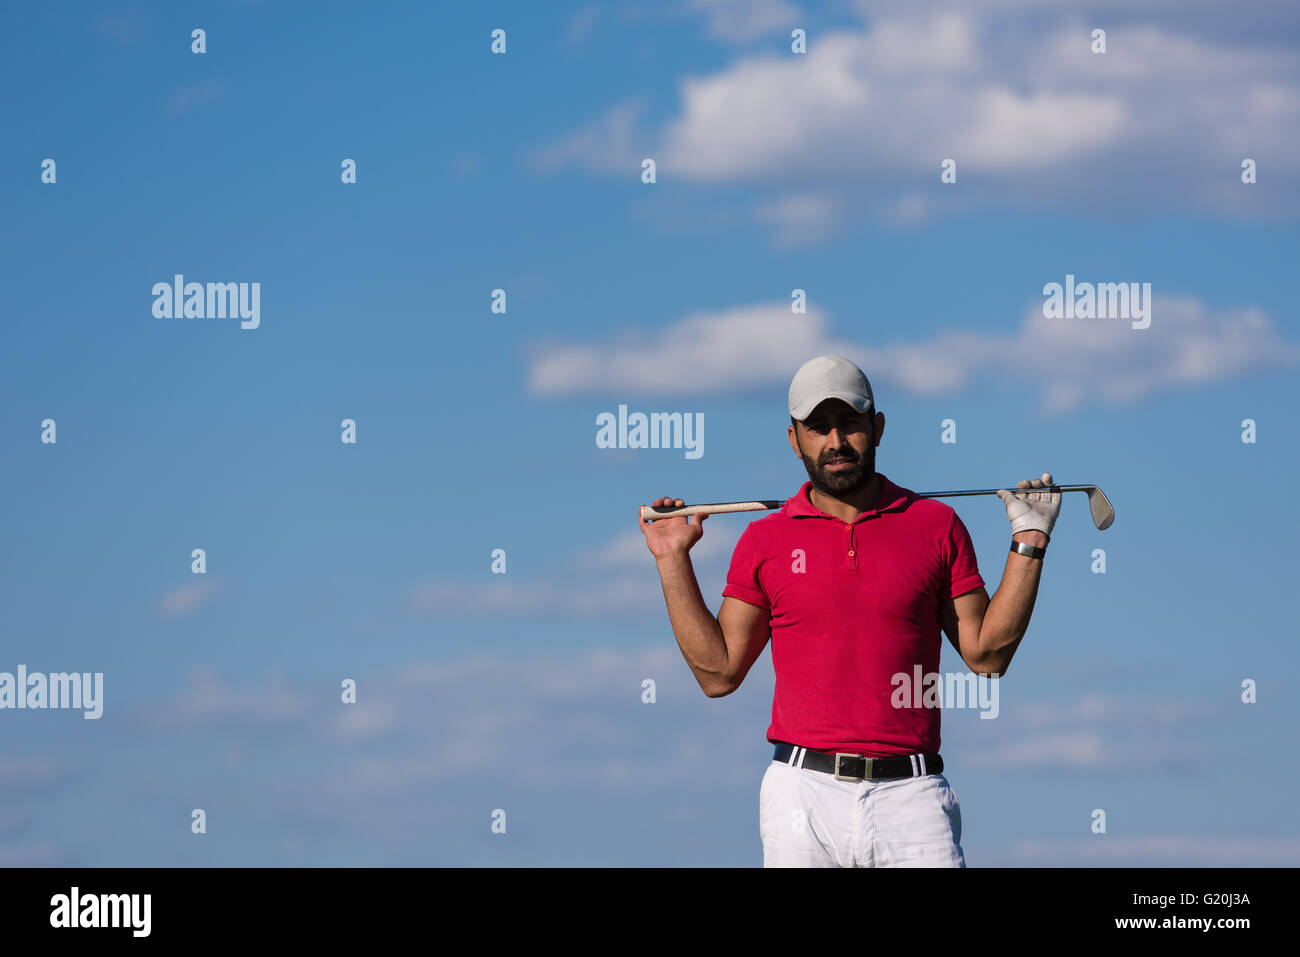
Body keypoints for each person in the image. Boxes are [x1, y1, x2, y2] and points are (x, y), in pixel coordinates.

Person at [639, 355, 1061, 867]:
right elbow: (718, 673)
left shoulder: (936, 524)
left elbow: (987, 655)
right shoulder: (764, 539)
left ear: (877, 428)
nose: (835, 442)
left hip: (913, 796)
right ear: (795, 440)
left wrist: (1029, 540)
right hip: (802, 794)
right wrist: (671, 558)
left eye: (850, 425)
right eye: (817, 428)